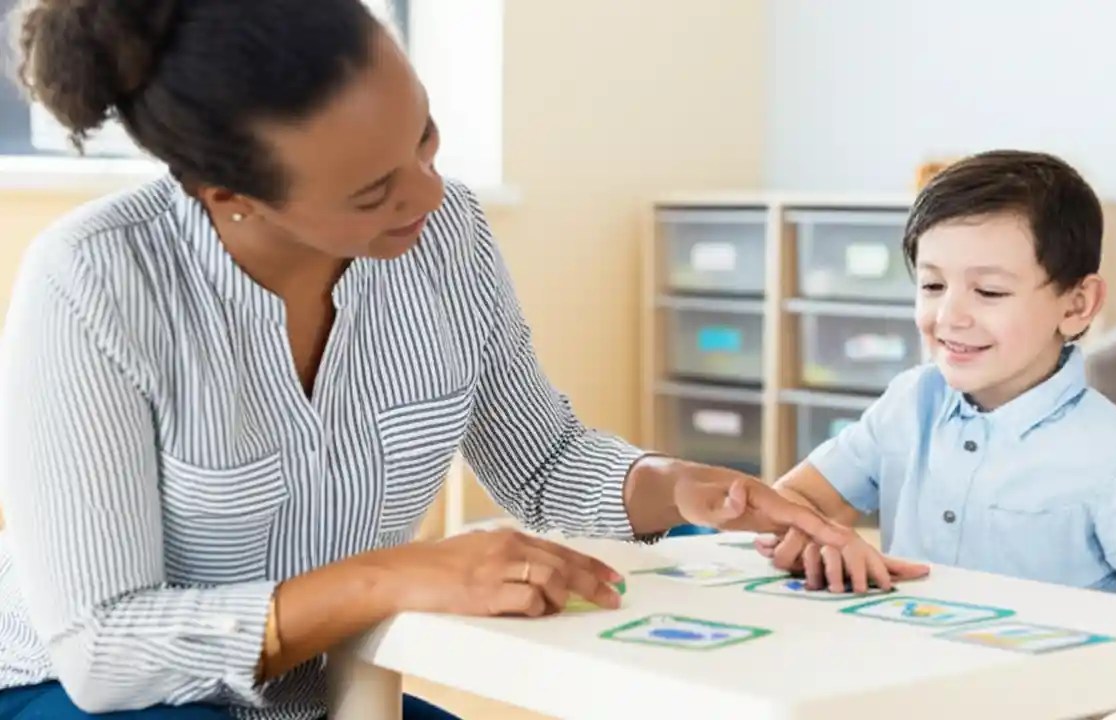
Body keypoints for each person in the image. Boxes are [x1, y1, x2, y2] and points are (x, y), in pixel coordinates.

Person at [0, 1, 852, 718]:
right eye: (372, 192)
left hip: (320, 688)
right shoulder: (96, 279)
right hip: (81, 693)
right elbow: (103, 648)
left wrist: (673, 487)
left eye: (426, 136)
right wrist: (392, 577)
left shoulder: (446, 234)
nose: (427, 193)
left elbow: (545, 462)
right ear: (231, 197)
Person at [759, 150, 1116, 603]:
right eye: (932, 285)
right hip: (908, 661)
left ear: (1075, 305)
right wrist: (821, 539)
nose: (949, 316)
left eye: (989, 291)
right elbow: (796, 498)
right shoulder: (911, 401)